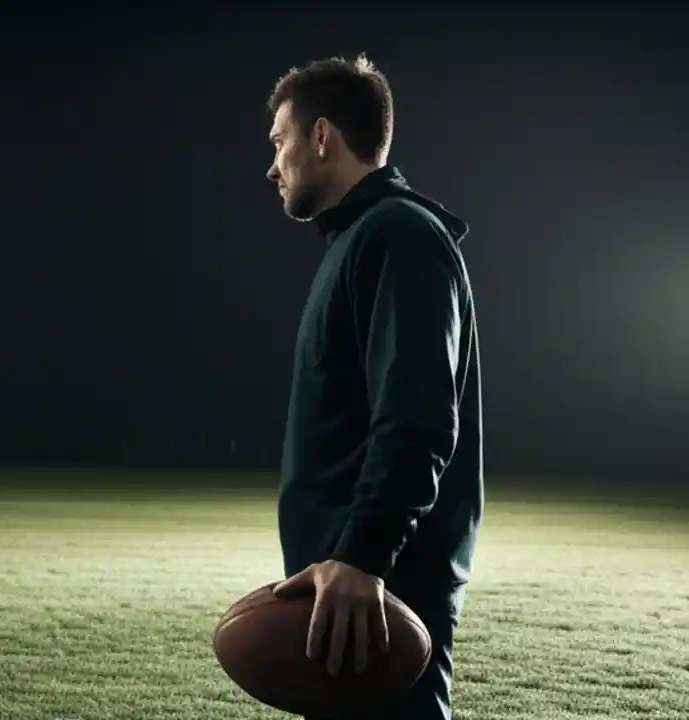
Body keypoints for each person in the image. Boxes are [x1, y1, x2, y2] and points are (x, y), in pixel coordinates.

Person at [262, 55, 484, 720]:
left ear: (322, 137)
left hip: (376, 591)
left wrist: (363, 556)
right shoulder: (360, 239)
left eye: (279, 141)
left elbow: (417, 419)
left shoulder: (398, 236)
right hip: (347, 592)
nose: (272, 166)